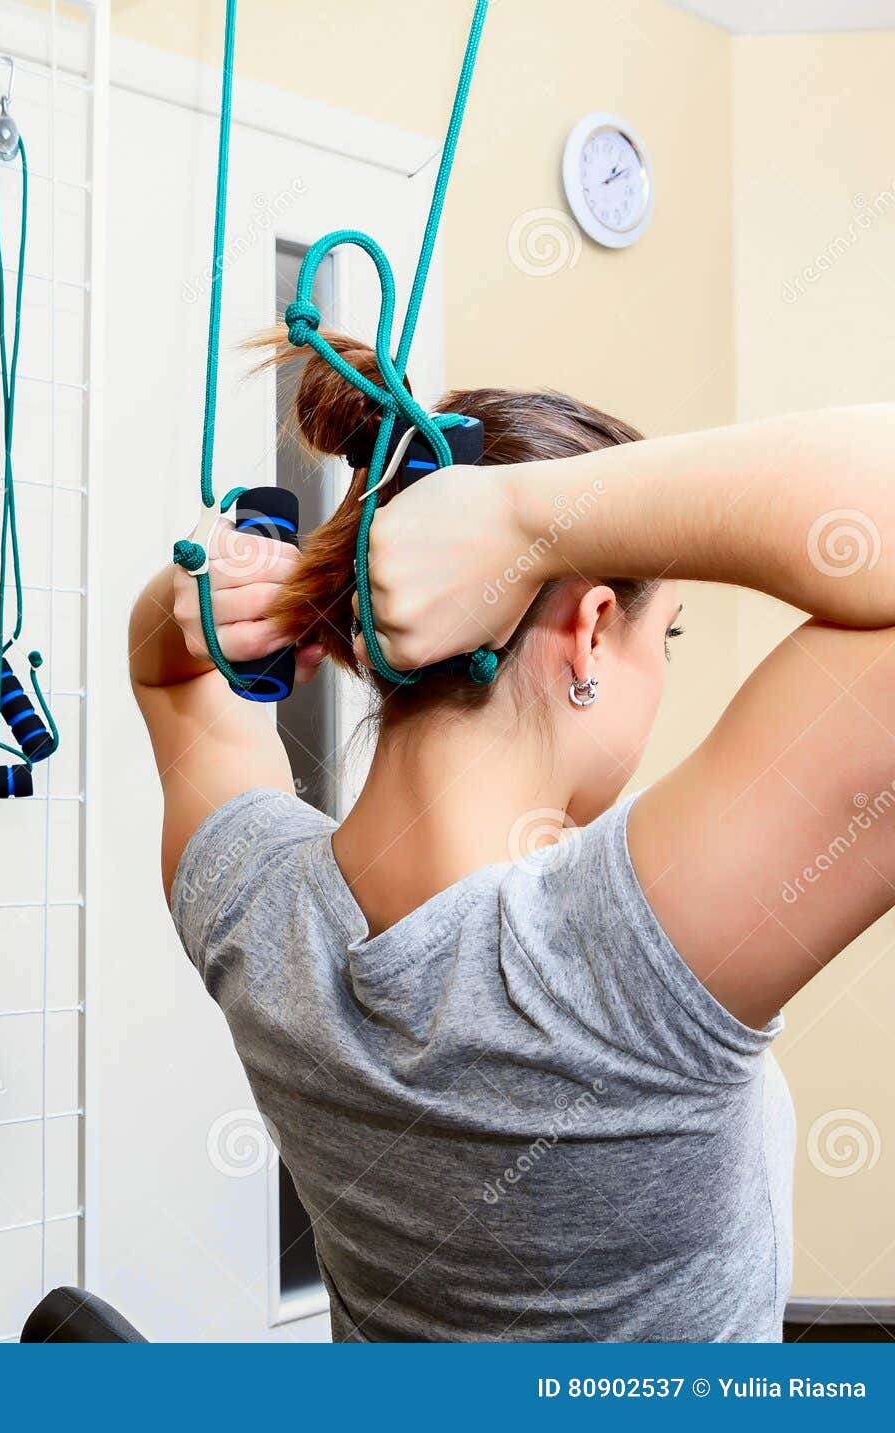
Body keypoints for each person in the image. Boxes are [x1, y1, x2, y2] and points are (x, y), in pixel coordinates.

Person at [129, 334, 895, 1341]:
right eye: (660, 638)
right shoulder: (619, 965)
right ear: (589, 629)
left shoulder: (249, 907)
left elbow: (168, 674)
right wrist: (522, 521)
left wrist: (181, 606)